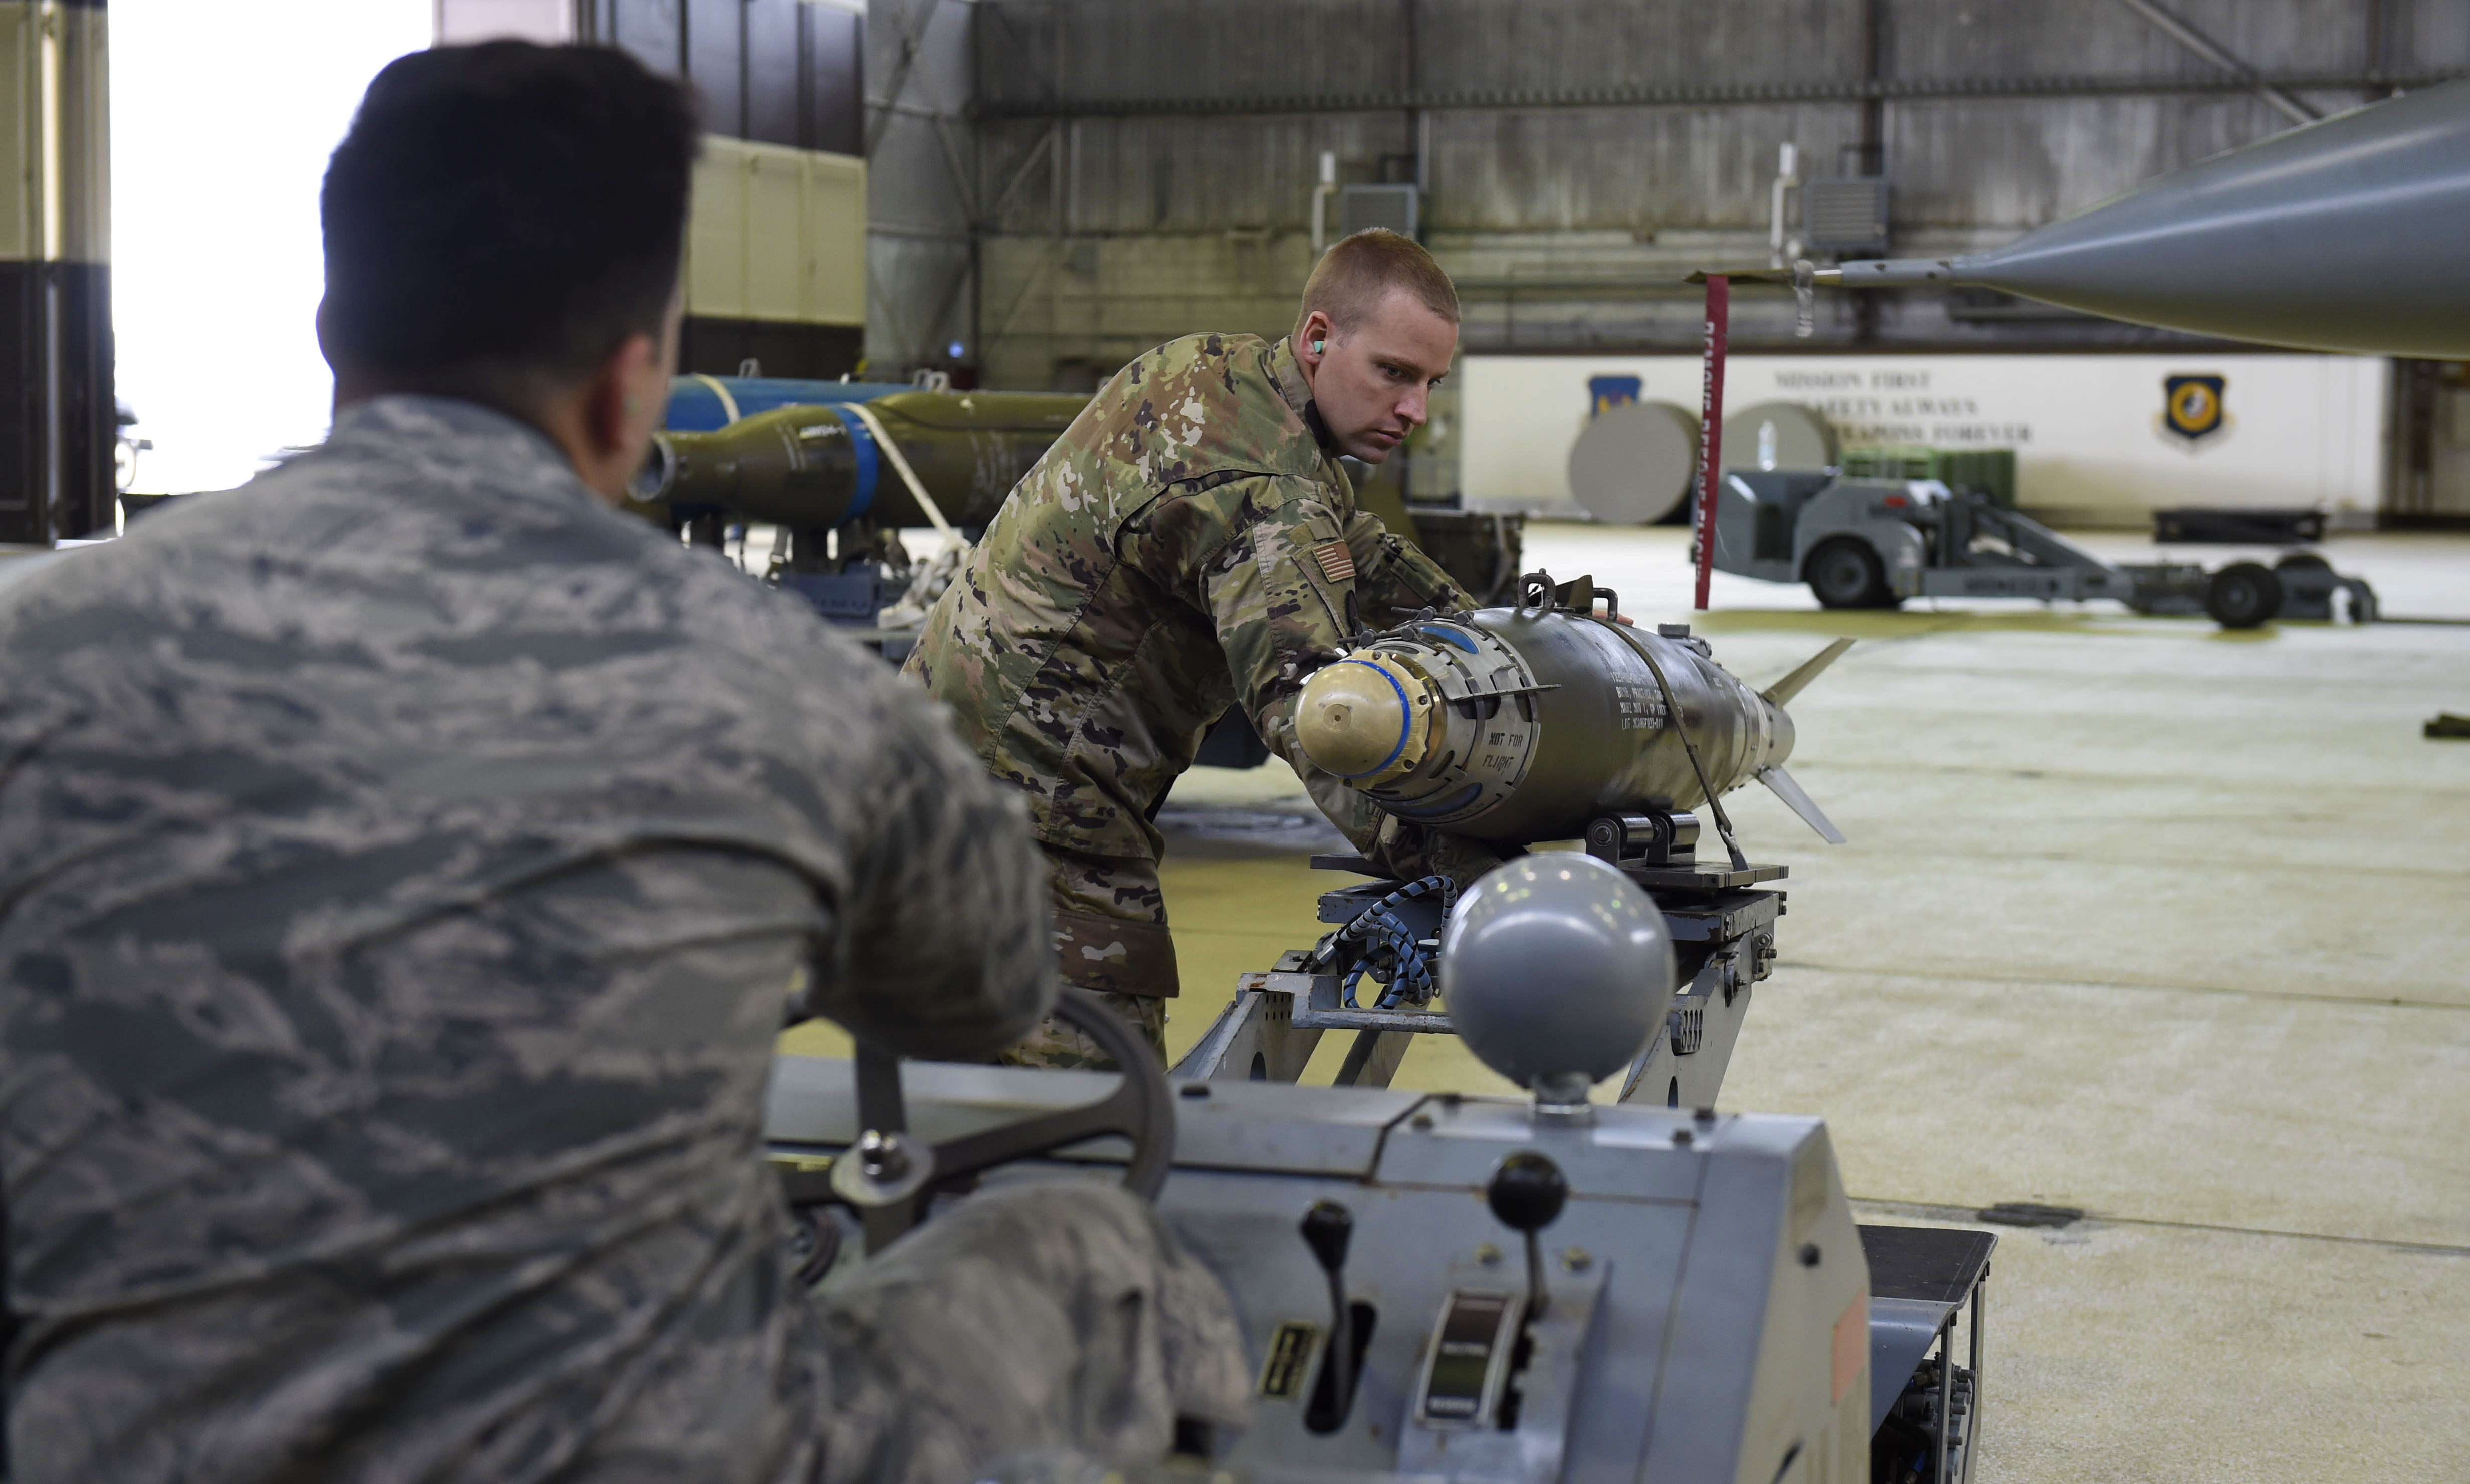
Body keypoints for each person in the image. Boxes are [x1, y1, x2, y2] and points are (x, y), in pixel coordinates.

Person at [0, 43, 1245, 1483]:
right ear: (634, 378)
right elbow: (988, 991)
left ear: (333, 326)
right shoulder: (787, 695)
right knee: (1097, 1252)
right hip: (650, 1448)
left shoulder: (43, 648)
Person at [906, 230, 1498, 1068]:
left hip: (951, 774)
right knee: (1084, 1108)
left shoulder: (1220, 374)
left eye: (1433, 382)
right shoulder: (1262, 484)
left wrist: (1491, 626)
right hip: (1026, 818)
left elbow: (1353, 547)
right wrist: (1461, 862)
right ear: (1320, 338)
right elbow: (1318, 711)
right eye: (1395, 374)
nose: (1417, 411)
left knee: (1019, 1100)